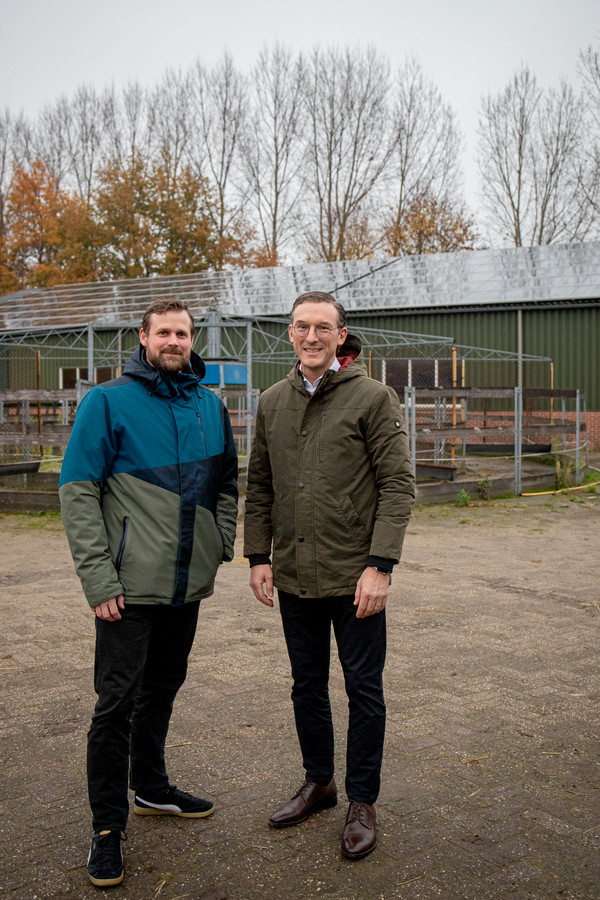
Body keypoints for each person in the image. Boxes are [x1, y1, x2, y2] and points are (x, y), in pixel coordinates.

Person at [60, 298, 238, 887]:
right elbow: (78, 491)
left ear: (192, 340)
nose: (174, 341)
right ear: (143, 337)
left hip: (186, 586)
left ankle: (152, 788)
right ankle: (107, 829)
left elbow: (228, 484)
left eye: (183, 333)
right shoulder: (107, 402)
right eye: (163, 331)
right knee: (115, 704)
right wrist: (98, 578)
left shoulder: (210, 407)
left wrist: (221, 539)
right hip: (126, 590)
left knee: (163, 687)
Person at [244, 291, 415, 859]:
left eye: (323, 327)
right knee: (306, 685)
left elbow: (397, 486)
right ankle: (319, 781)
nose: (311, 336)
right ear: (289, 335)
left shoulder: (373, 397)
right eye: (301, 327)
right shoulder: (271, 402)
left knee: (363, 689)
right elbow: (261, 486)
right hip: (294, 575)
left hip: (356, 577)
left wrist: (380, 566)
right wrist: (258, 556)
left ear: (341, 336)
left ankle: (362, 800)